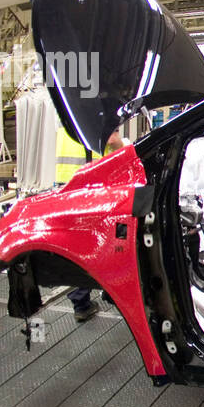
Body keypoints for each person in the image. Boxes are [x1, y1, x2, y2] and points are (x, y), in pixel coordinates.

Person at [68, 130, 126, 322]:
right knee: (114, 243)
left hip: (70, 187)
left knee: (80, 248)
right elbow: (113, 140)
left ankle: (81, 304)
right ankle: (114, 295)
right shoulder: (97, 113)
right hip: (93, 192)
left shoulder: (68, 113)